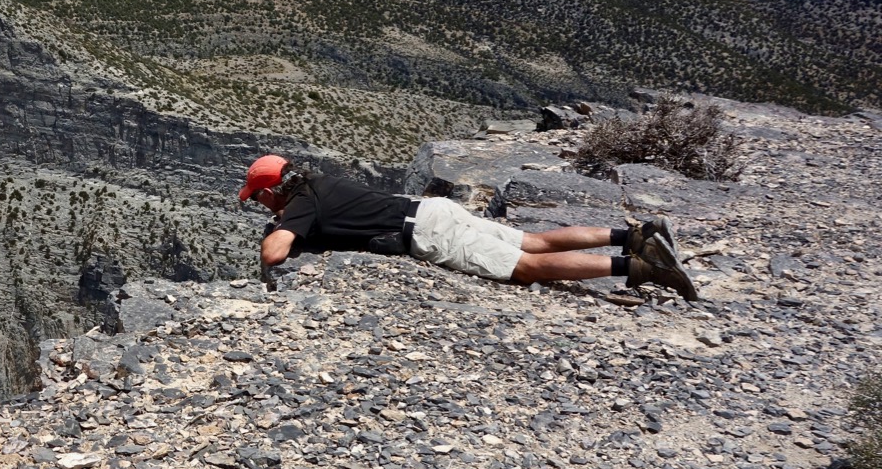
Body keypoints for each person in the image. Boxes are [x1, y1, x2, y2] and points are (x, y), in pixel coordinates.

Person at [239, 155, 698, 299]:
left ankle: (644, 269)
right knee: (533, 238)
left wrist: (282, 227)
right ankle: (634, 233)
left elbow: (275, 254)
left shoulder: (300, 202)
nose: (259, 205)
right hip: (434, 209)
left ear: (273, 189)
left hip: (427, 233)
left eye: (258, 196)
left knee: (527, 266)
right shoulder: (320, 181)